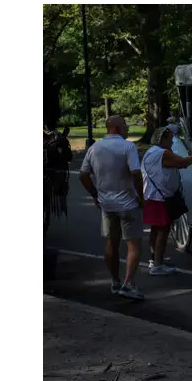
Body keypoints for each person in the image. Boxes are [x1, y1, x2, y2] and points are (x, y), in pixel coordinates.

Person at [79, 116, 145, 299]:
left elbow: (83, 175)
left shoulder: (94, 148)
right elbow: (136, 173)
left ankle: (115, 281)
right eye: (125, 125)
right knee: (133, 244)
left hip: (107, 205)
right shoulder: (128, 147)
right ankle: (129, 283)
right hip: (128, 202)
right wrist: (141, 196)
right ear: (116, 127)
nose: (128, 128)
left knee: (111, 243)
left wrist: (95, 194)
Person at [141, 127, 192, 276]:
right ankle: (157, 265)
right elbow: (184, 162)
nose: (171, 142)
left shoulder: (151, 152)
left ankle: (154, 260)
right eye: (170, 139)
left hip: (152, 195)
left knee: (156, 230)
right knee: (162, 231)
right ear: (162, 139)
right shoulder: (163, 153)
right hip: (160, 197)